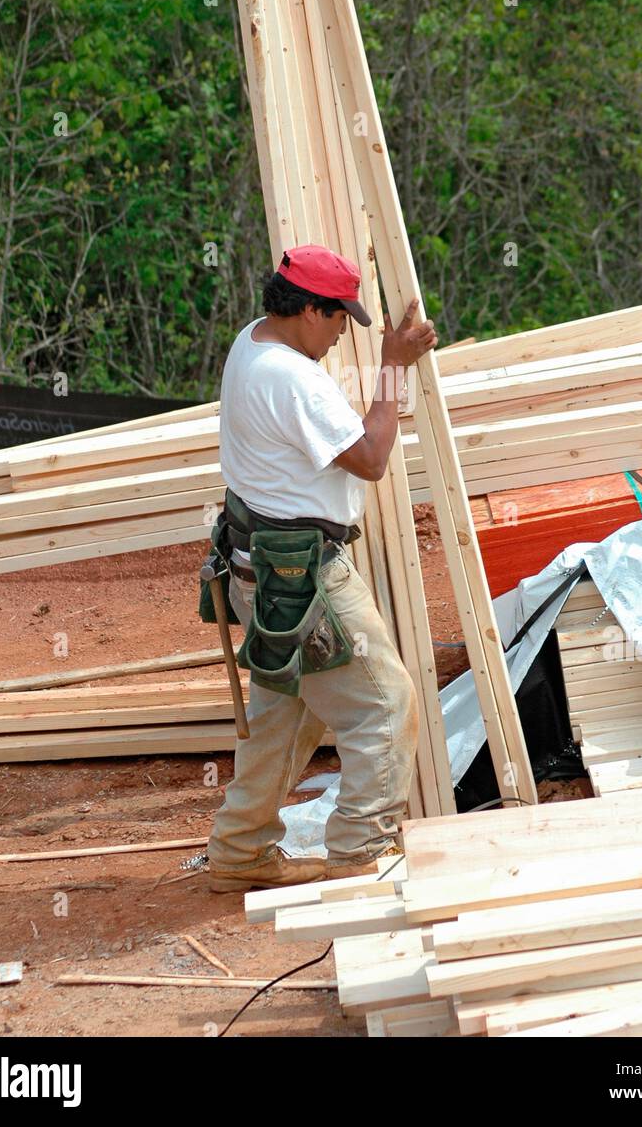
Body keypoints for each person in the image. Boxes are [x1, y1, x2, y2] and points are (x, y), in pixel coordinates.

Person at [207, 244, 437, 893]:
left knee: (288, 715)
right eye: (339, 319)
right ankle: (361, 855)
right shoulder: (292, 378)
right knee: (385, 707)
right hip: (303, 577)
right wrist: (393, 369)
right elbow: (369, 457)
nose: (342, 334)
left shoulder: (250, 343)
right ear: (309, 310)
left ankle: (239, 851)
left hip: (257, 571)